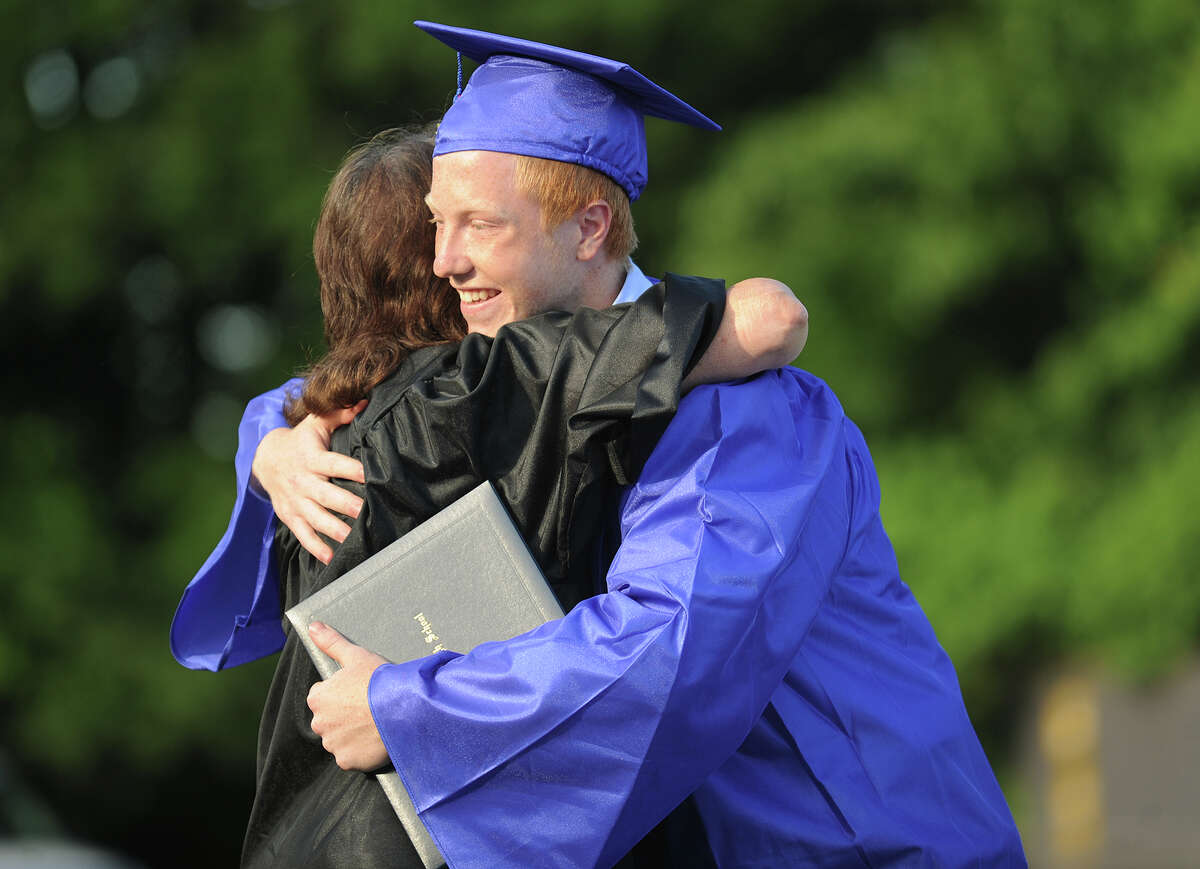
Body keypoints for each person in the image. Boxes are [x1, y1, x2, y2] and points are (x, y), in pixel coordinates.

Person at [173, 22, 1027, 868]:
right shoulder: (545, 394)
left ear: (587, 230)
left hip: (871, 847)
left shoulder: (740, 416)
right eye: (436, 223)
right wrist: (276, 435)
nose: (443, 263)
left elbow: (662, 655)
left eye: (479, 226)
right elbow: (407, 398)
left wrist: (401, 708)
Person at [176, 124, 802, 868]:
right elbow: (769, 321)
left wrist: (265, 440)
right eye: (445, 224)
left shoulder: (313, 439)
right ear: (435, 262)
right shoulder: (488, 388)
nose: (457, 253)